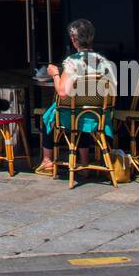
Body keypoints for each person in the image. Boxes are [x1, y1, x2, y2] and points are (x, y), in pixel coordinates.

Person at [37, 18, 117, 177]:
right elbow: (113, 91)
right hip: (99, 116)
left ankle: (47, 160)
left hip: (72, 116)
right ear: (91, 37)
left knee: (52, 114)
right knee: (83, 113)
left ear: (73, 40)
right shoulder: (105, 62)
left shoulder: (72, 62)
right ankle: (85, 163)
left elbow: (62, 92)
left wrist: (55, 75)